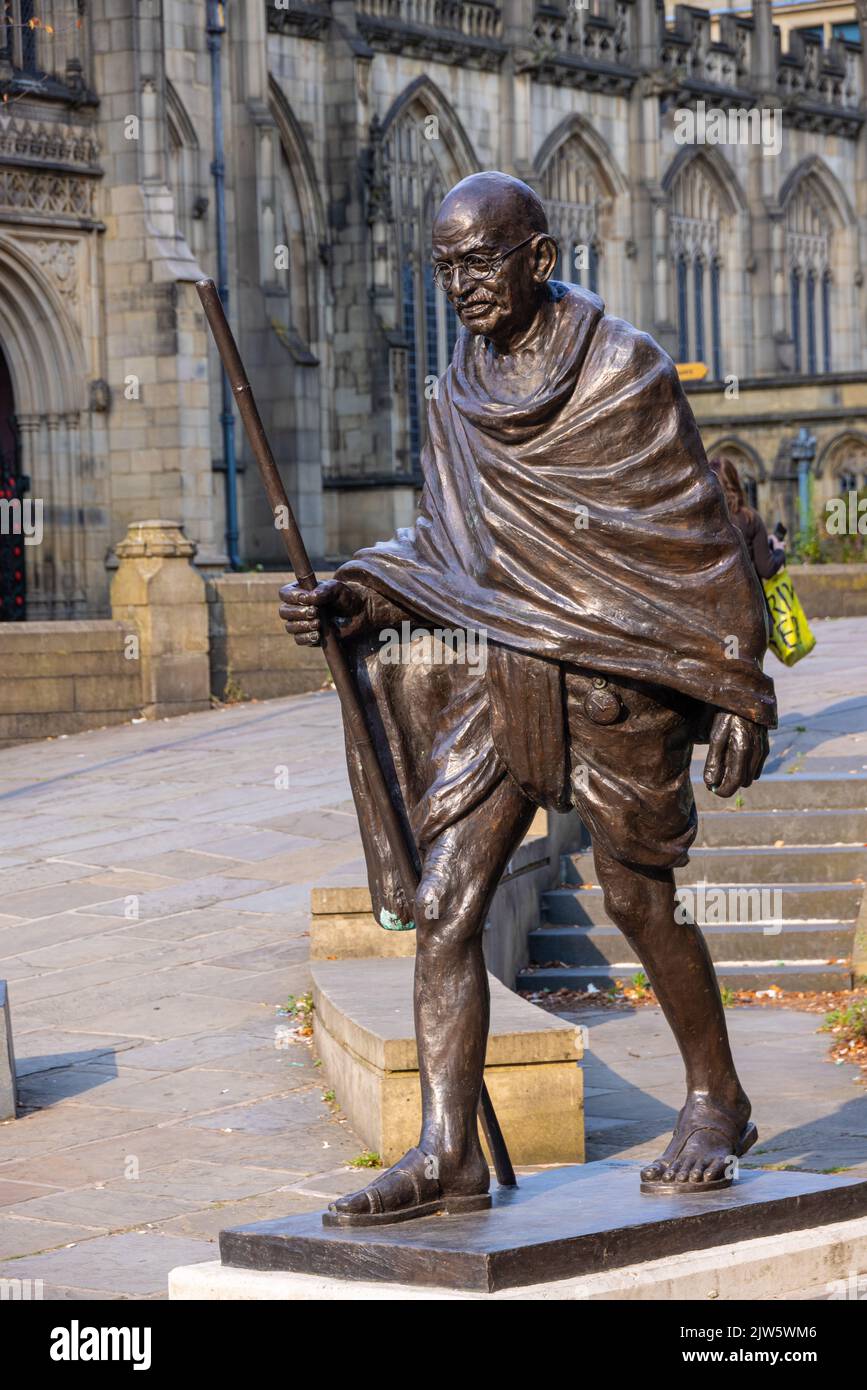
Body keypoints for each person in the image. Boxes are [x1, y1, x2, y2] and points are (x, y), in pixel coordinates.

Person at [279, 172, 777, 1224]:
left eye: (480, 261)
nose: (461, 285)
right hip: (499, 673)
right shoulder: (454, 392)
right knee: (449, 907)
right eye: (445, 266)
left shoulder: (623, 369)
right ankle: (449, 1151)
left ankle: (716, 1097)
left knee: (638, 898)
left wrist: (739, 686)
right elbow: (450, 549)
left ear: (538, 258)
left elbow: (694, 533)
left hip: (613, 678)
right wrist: (356, 593)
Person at [709, 456, 786, 581]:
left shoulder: (701, 521)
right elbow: (766, 569)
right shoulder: (749, 518)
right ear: (735, 481)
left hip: (708, 598)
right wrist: (779, 551)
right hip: (745, 597)